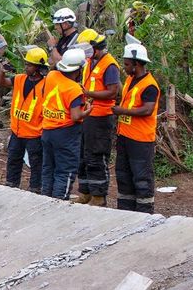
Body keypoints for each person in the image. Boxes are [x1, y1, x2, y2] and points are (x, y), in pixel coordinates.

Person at [74, 29, 121, 206]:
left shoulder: (109, 65)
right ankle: (85, 192)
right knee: (83, 156)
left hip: (101, 117)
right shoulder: (89, 61)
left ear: (96, 47)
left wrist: (89, 93)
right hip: (87, 115)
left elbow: (113, 91)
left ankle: (99, 196)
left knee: (96, 156)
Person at [112, 43, 160, 213]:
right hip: (125, 136)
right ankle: (126, 212)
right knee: (124, 176)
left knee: (141, 178)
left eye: (126, 64)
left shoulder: (150, 85)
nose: (124, 67)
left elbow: (147, 110)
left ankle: (144, 213)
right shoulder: (131, 80)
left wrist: (121, 111)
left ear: (136, 64)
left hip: (140, 140)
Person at [40, 49, 92, 200]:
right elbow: (76, 115)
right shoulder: (74, 89)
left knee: (48, 169)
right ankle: (58, 204)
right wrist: (87, 111)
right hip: (66, 133)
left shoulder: (52, 76)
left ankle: (45, 201)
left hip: (48, 130)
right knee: (65, 171)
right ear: (78, 69)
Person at [0, 47, 49, 193]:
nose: (26, 67)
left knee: (36, 163)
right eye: (26, 64)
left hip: (34, 134)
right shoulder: (20, 79)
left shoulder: (46, 85)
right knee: (13, 160)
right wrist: (2, 71)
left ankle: (35, 189)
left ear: (38, 67)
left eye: (29, 65)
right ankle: (11, 185)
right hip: (17, 131)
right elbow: (2, 83)